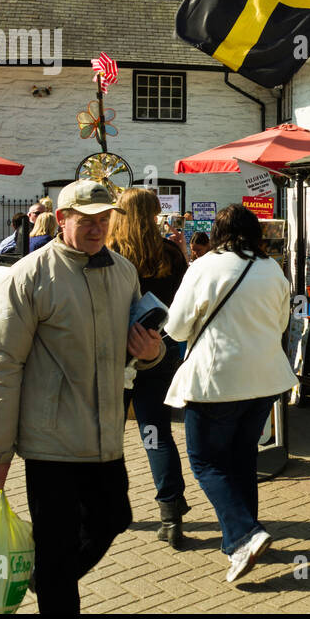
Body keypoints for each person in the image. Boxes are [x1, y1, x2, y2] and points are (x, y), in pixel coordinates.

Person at [0, 180, 164, 614]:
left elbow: (139, 351)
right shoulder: (30, 275)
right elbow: (1, 364)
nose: (98, 229)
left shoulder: (123, 271)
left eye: (104, 220)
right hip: (51, 440)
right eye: (87, 220)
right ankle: (54, 578)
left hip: (106, 434)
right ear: (62, 220)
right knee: (58, 547)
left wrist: (152, 354)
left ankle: (47, 577)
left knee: (114, 518)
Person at [164, 204, 297, 582]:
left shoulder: (204, 267)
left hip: (216, 380)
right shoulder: (273, 270)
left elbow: (175, 328)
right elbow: (281, 323)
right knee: (241, 459)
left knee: (206, 462)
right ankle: (242, 539)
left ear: (219, 232)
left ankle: (244, 534)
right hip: (264, 380)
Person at [106, 188, 192, 548]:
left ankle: (114, 508)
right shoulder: (170, 253)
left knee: (107, 435)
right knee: (154, 430)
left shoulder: (109, 255)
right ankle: (170, 514)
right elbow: (186, 302)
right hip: (161, 349)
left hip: (115, 353)